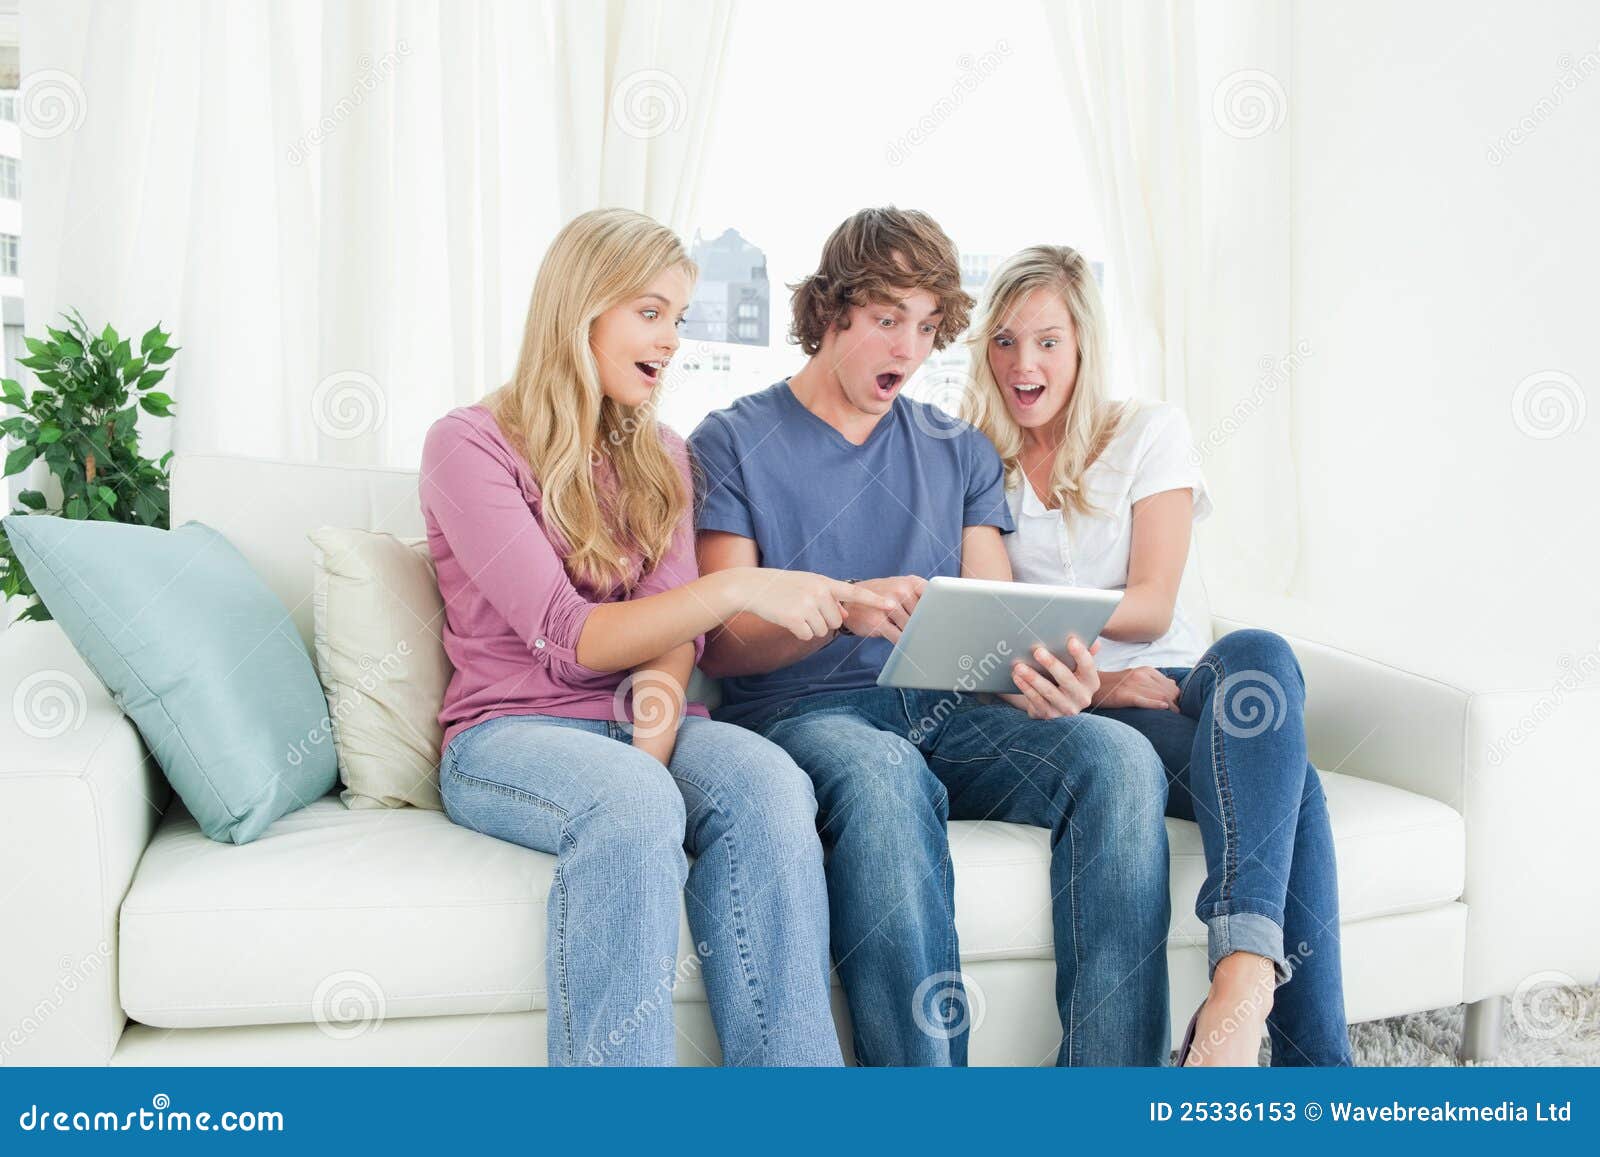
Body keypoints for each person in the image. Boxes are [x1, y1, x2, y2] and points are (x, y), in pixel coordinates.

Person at [688, 207, 1172, 1066]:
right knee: (882, 770)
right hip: (804, 715)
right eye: (885, 321)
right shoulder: (732, 440)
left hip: (946, 710)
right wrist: (837, 607)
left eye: (925, 326)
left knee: (1119, 758)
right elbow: (721, 642)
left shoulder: (959, 450)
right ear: (830, 313)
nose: (908, 350)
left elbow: (1000, 619)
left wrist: (1046, 676)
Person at [419, 208, 895, 1067]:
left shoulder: (664, 452)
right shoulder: (469, 445)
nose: (671, 339)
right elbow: (570, 637)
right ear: (580, 309)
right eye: (650, 312)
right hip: (509, 735)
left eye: (678, 317)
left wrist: (654, 734)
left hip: (638, 722)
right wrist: (739, 588)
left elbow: (676, 632)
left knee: (771, 784)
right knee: (633, 805)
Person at [962, 243, 1353, 1066]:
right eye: (1003, 340)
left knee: (1258, 652)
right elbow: (991, 636)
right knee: (1294, 785)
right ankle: (1306, 1062)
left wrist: (1078, 652)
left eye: (1045, 340)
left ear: (1083, 344)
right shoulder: (975, 464)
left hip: (1180, 684)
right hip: (1083, 706)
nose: (1022, 363)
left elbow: (1152, 606)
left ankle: (1237, 990)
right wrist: (1097, 685)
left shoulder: (1147, 431)